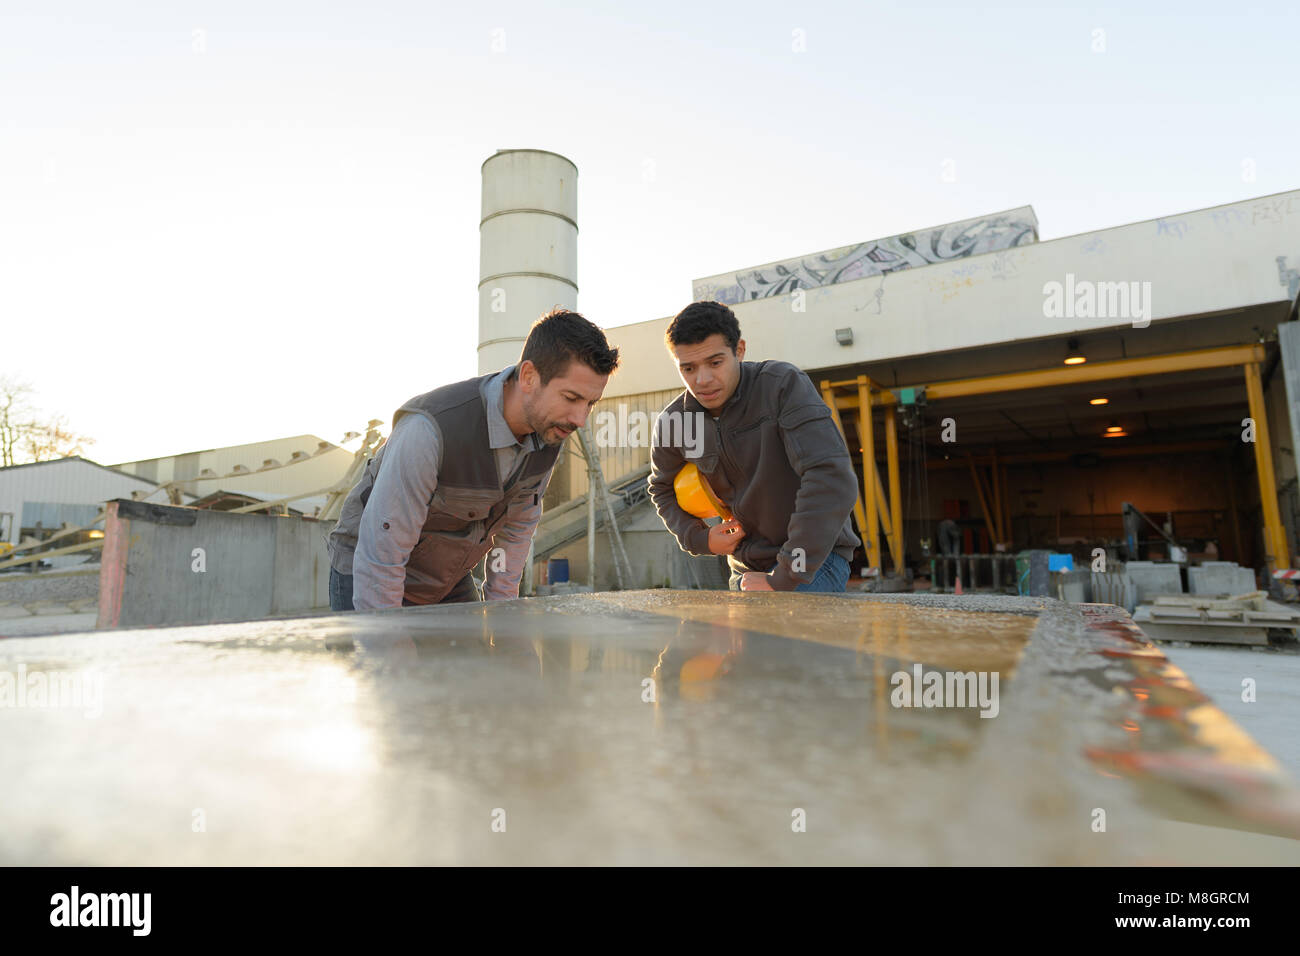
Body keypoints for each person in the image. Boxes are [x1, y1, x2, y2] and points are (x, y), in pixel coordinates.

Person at [327, 308, 619, 610]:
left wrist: (502, 622)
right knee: (382, 653)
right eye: (571, 398)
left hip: (447, 576)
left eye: (590, 404)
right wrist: (387, 648)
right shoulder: (429, 431)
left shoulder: (548, 433)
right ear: (529, 376)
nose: (580, 419)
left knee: (478, 656)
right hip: (367, 569)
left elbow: (515, 535)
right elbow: (382, 554)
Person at [647, 301, 860, 592]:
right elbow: (661, 489)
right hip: (743, 570)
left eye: (715, 362)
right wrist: (699, 538)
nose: (703, 379)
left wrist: (783, 577)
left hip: (812, 562)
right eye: (688, 368)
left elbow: (832, 477)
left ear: (740, 350)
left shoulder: (782, 386)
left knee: (778, 637)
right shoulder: (674, 422)